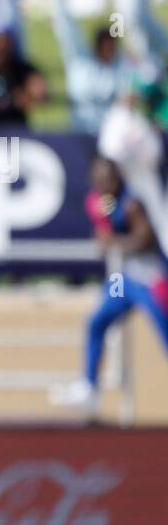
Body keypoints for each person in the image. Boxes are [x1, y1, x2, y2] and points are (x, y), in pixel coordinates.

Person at [50, 155, 168, 416]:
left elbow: (145, 239)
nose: (103, 186)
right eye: (98, 181)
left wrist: (112, 241)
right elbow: (105, 230)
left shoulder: (131, 203)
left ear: (116, 180)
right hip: (124, 280)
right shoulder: (98, 201)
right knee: (97, 321)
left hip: (153, 281)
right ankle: (89, 388)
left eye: (107, 181)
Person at [52, 0, 133, 134]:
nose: (108, 50)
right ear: (97, 45)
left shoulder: (121, 65)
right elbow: (67, 30)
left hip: (111, 135)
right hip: (81, 129)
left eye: (111, 46)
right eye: (104, 46)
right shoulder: (80, 60)